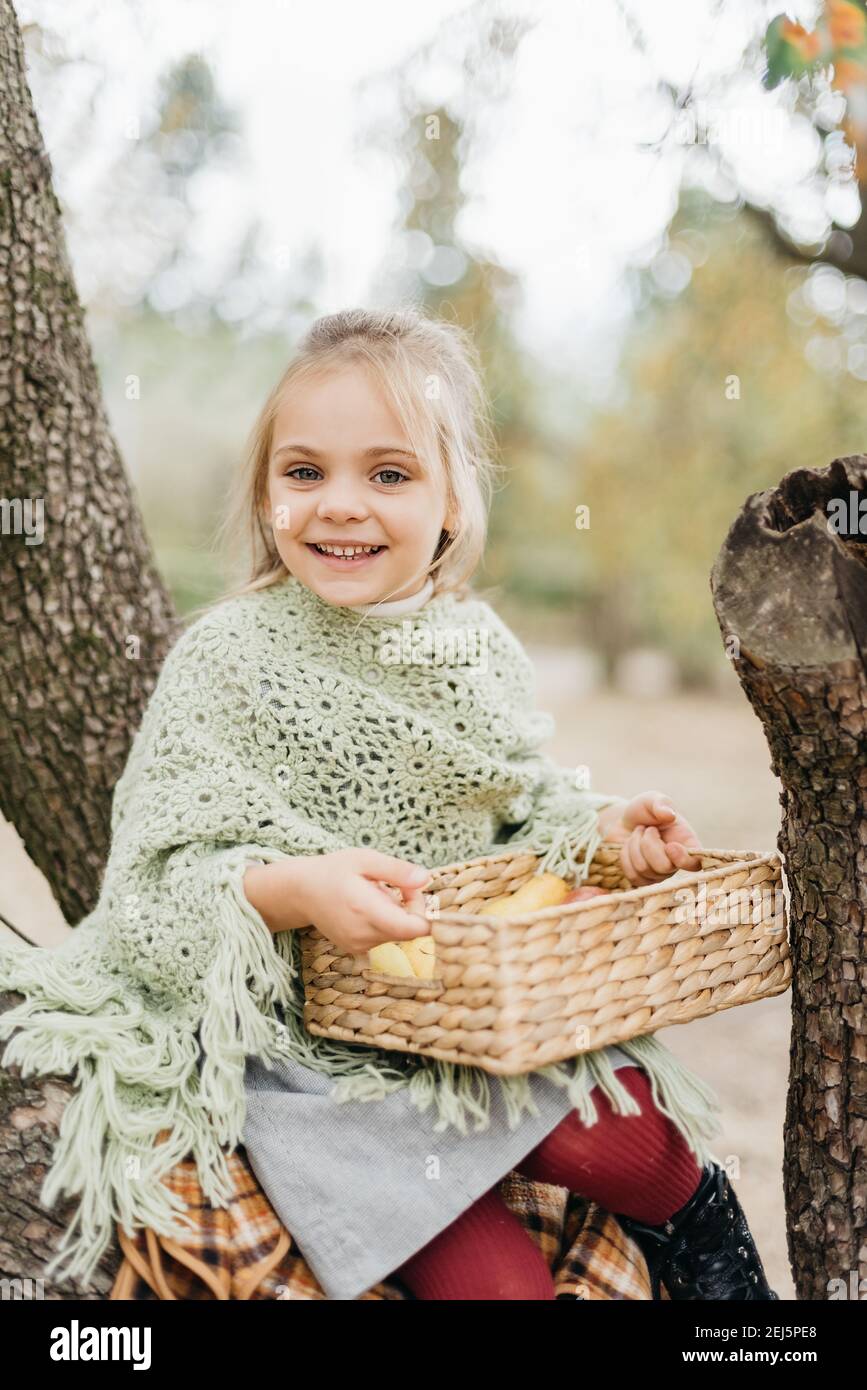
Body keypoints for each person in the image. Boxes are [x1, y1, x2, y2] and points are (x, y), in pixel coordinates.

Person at [0, 306, 777, 1301]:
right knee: (496, 1289)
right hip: (314, 1061)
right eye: (305, 472)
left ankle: (717, 1267)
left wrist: (601, 832)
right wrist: (295, 889)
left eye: (390, 474)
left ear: (451, 501)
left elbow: (522, 806)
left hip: (463, 1024)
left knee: (633, 1144)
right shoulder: (229, 659)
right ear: (267, 493)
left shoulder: (474, 649)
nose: (341, 505)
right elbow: (153, 890)